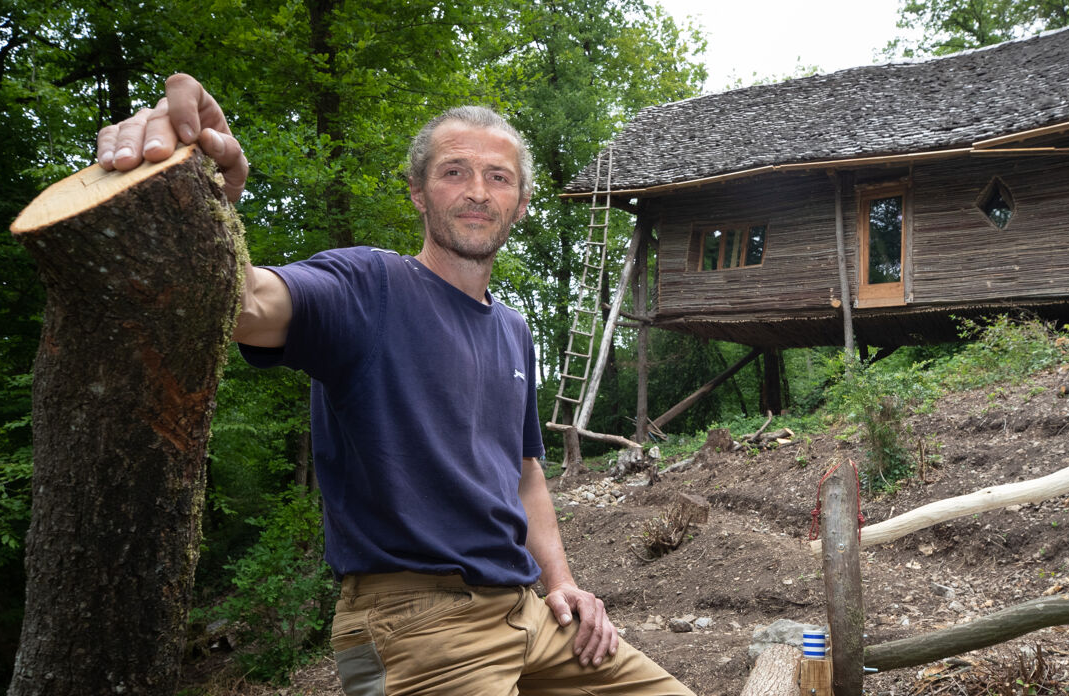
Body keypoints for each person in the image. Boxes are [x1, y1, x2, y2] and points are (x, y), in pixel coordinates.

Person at [98, 73, 694, 696]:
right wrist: (201, 200)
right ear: (418, 193)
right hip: (412, 626)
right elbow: (246, 301)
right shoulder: (368, 288)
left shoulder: (514, 332)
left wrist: (561, 583)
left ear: (519, 204)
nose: (477, 192)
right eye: (454, 172)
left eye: (498, 177)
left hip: (528, 614)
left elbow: (524, 475)